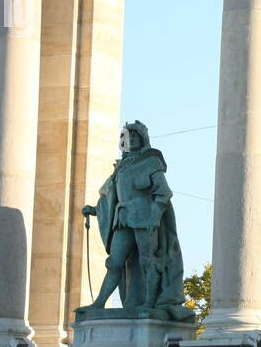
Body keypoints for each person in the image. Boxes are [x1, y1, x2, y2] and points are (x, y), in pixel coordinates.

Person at [81, 121, 192, 319]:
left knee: (148, 260)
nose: (131, 140)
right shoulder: (122, 165)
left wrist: (154, 217)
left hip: (144, 218)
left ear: (142, 139)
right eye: (127, 137)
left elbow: (163, 192)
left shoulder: (151, 161)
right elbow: (112, 197)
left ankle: (149, 303)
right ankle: (99, 303)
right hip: (122, 218)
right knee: (115, 262)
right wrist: (95, 209)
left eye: (135, 137)